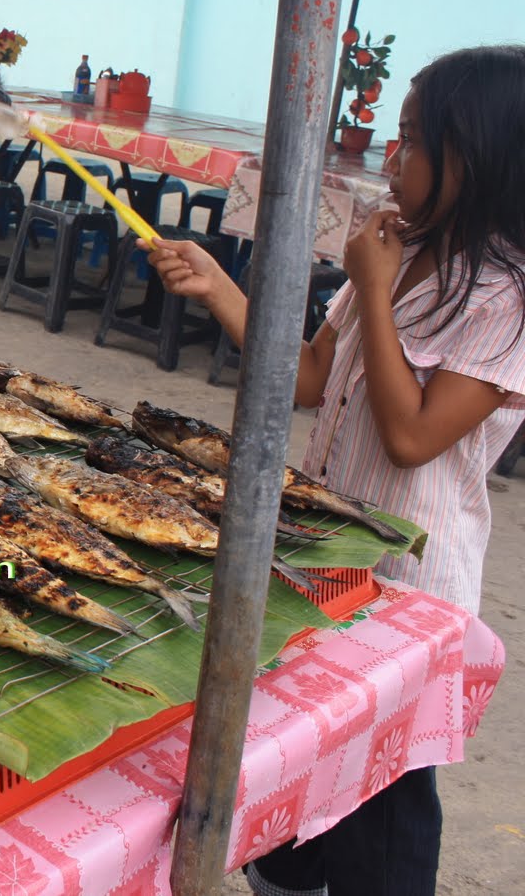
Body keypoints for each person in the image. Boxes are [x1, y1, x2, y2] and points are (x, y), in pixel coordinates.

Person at [146, 46, 525, 896]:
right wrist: (217, 287)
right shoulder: (392, 251)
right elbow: (311, 374)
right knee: (304, 749)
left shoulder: (505, 298)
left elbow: (412, 435)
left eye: (416, 142)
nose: (394, 159)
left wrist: (377, 290)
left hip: (410, 586)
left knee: (386, 786)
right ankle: (286, 877)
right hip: (324, 558)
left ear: (482, 158)